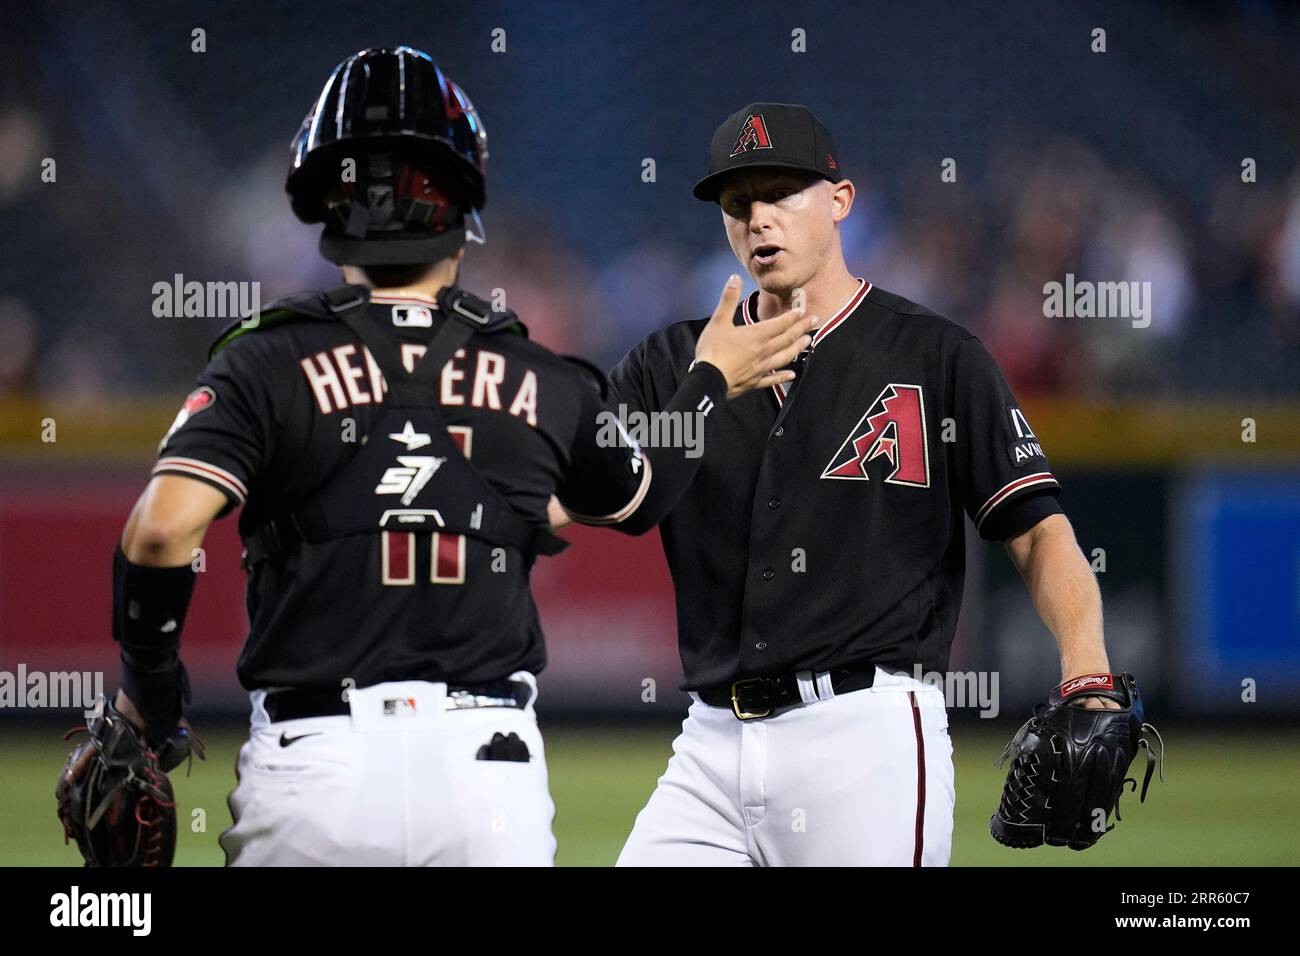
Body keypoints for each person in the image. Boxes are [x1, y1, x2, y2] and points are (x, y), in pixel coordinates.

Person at [99, 54, 813, 867]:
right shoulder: (540, 374)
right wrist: (712, 378)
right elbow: (640, 495)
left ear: (323, 198)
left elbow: (160, 534)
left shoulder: (262, 361)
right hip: (487, 777)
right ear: (464, 201)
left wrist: (148, 701)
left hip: (313, 764)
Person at [607, 102, 1122, 867]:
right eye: (738, 203)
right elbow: (606, 494)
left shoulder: (936, 355)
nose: (759, 219)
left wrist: (1088, 674)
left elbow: (1038, 530)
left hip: (866, 737)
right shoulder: (670, 362)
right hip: (709, 743)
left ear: (841, 201)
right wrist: (708, 385)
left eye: (782, 192)